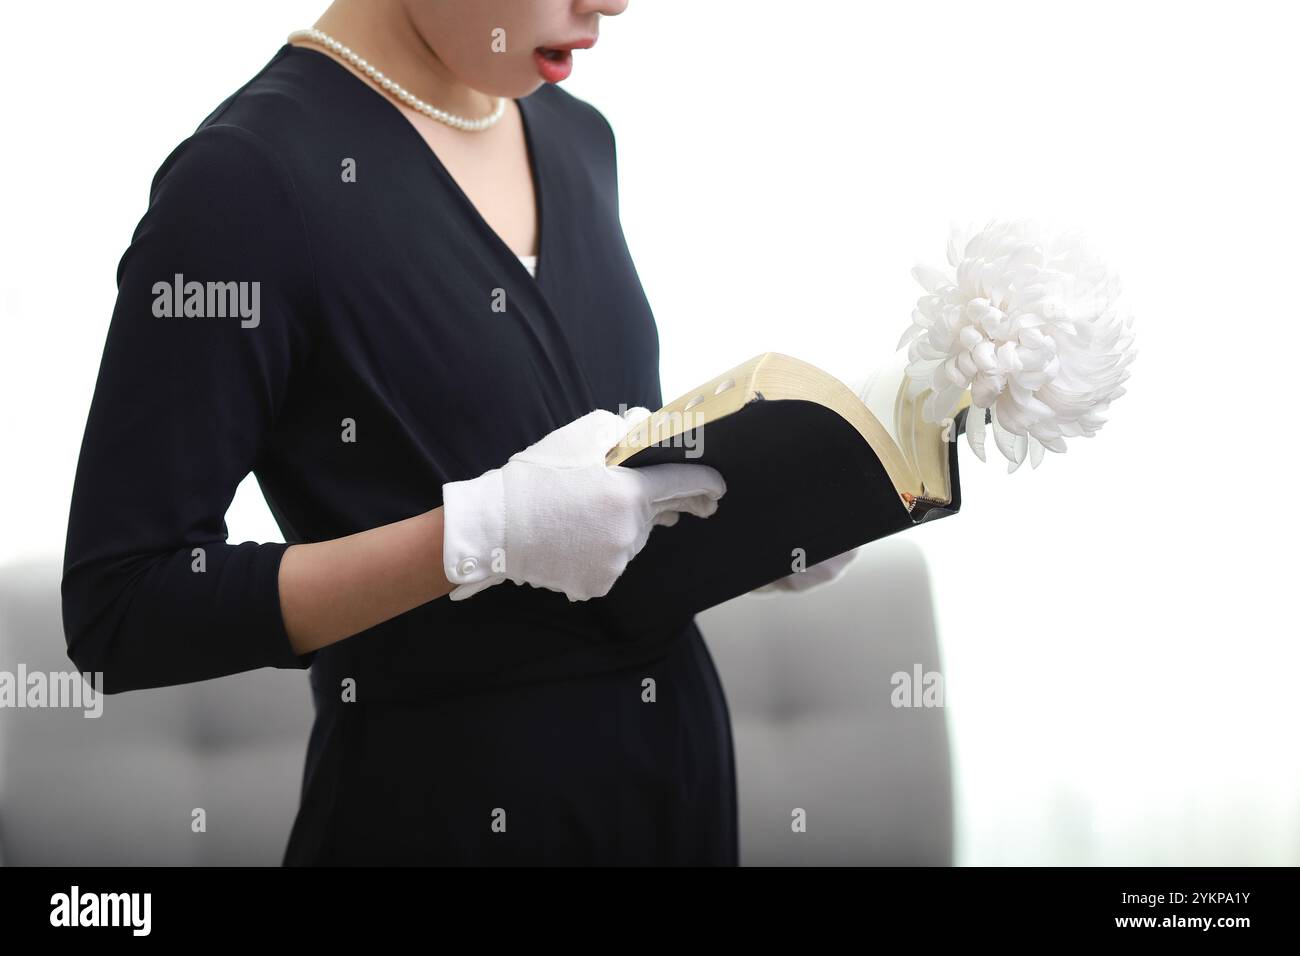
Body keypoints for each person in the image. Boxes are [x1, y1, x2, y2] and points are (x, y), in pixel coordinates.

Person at [61, 0, 848, 866]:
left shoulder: (578, 136)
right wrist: (476, 538)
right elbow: (124, 606)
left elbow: (600, 501)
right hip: (442, 807)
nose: (612, 3)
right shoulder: (241, 184)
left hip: (678, 777)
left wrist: (758, 526)